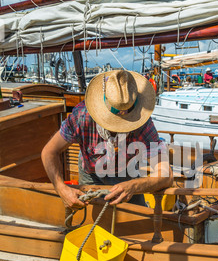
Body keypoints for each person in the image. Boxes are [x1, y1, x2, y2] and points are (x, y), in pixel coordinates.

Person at [41, 69, 173, 210]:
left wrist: (134, 186)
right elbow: (49, 152)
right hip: (90, 174)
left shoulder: (143, 124)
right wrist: (61, 189)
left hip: (126, 175)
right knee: (92, 219)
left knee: (136, 219)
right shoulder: (81, 116)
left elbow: (166, 175)